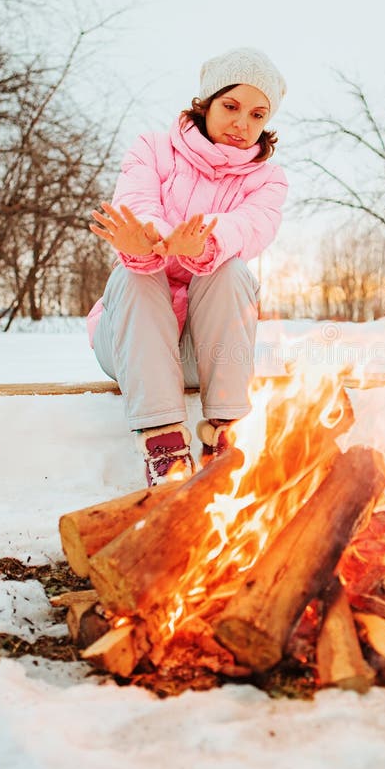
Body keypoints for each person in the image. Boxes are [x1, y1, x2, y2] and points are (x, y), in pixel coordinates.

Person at [87, 47, 287, 485]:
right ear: (206, 103)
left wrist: (201, 246)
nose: (242, 123)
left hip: (207, 352)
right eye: (230, 106)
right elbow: (137, 202)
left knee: (229, 268)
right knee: (135, 272)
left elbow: (251, 227)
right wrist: (151, 241)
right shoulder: (153, 150)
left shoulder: (268, 180)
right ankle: (164, 447)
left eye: (257, 115)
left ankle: (226, 434)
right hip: (128, 344)